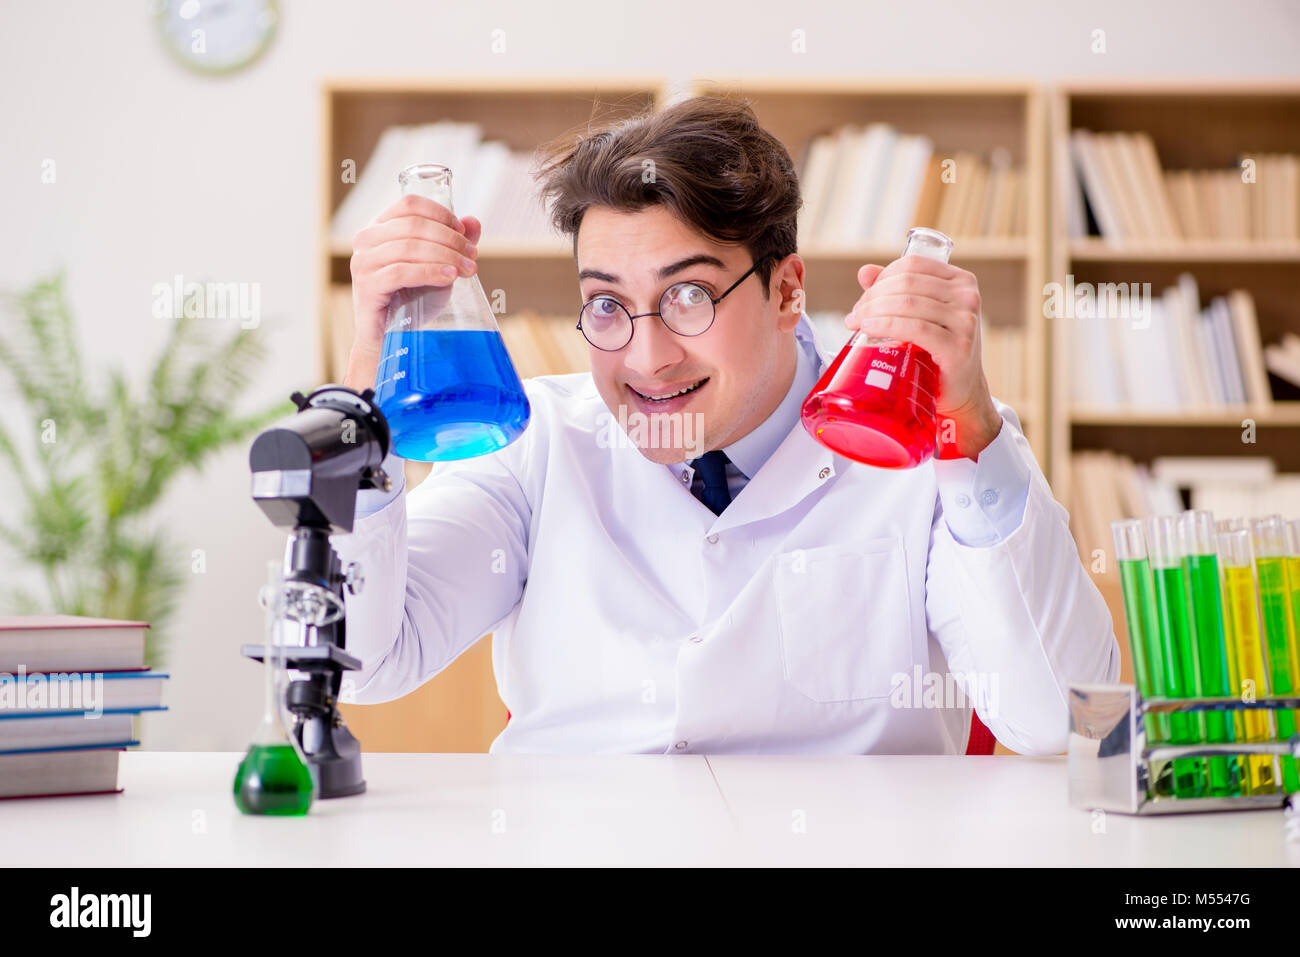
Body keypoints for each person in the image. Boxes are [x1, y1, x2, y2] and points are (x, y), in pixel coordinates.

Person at [334, 96, 1119, 755]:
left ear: (787, 291)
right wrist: (367, 380)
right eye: (607, 304)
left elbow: (1057, 718)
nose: (646, 356)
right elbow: (363, 660)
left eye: (689, 296)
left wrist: (973, 425)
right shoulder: (535, 440)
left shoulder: (926, 444)